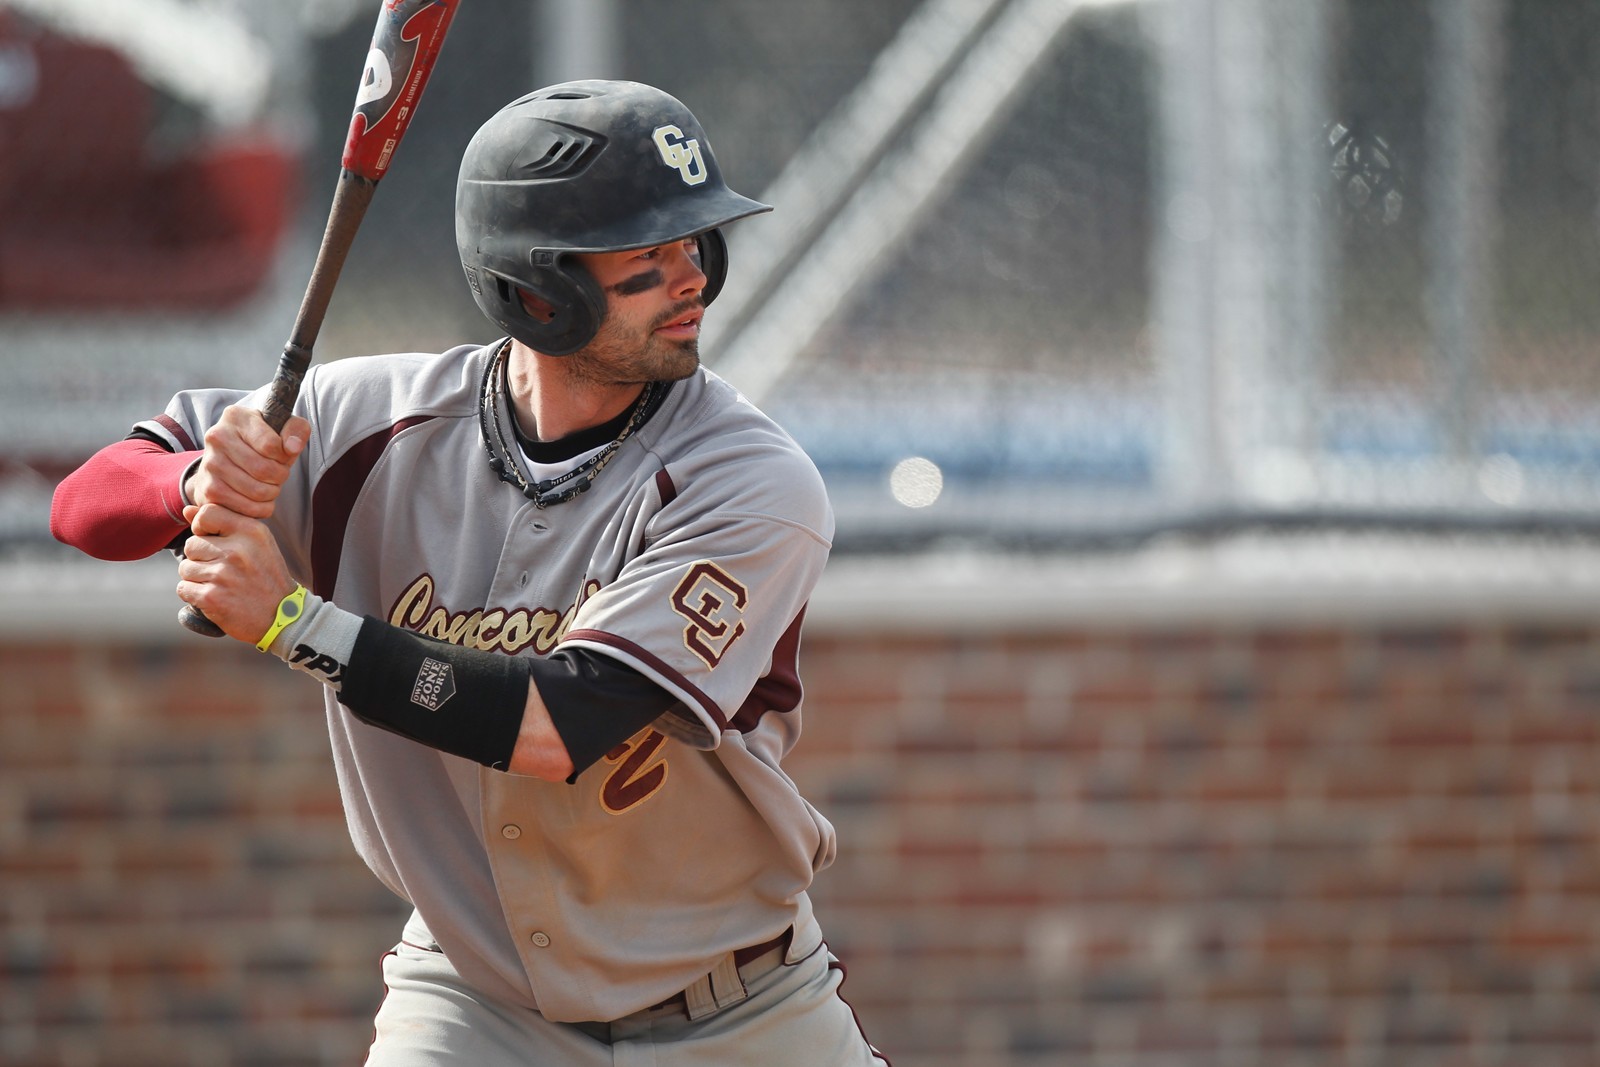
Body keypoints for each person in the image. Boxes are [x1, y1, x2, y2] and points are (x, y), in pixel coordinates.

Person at [51, 79, 887, 1065]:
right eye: (648, 252)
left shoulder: (746, 477)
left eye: (695, 241)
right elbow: (86, 502)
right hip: (472, 998)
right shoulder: (372, 420)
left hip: (737, 1012)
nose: (691, 275)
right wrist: (200, 479)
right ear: (536, 286)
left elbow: (557, 725)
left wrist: (289, 621)